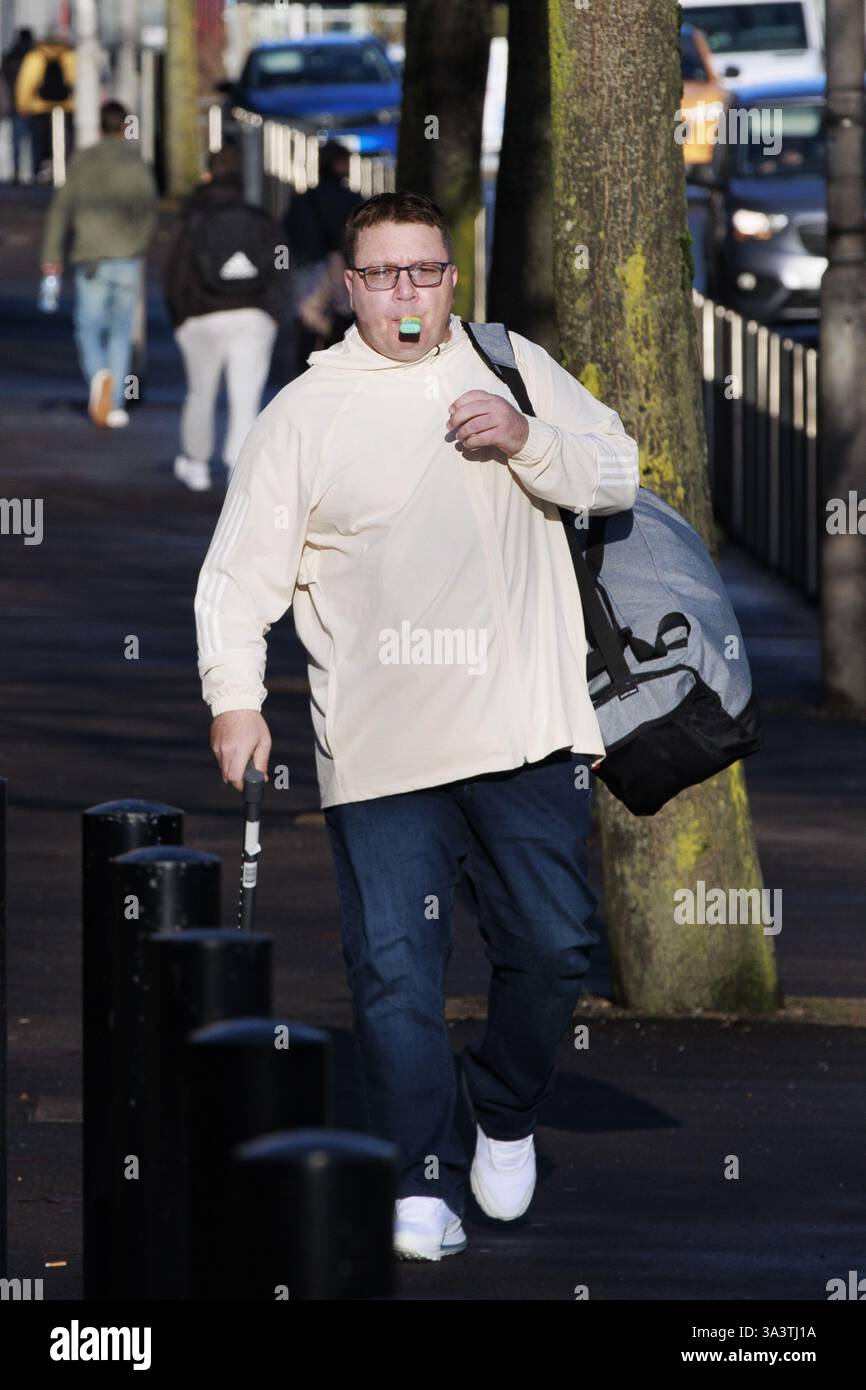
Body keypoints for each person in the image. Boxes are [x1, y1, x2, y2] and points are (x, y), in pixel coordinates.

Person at [194, 190, 640, 1261]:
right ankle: (414, 1172)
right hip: (382, 739)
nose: (406, 293)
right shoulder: (304, 412)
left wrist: (528, 437)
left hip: (524, 727)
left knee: (553, 945)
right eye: (383, 274)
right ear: (346, 287)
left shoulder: (509, 364)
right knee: (395, 968)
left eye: (424, 272)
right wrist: (235, 699)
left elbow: (618, 470)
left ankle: (501, 1102)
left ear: (451, 277)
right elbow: (235, 577)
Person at [163, 142, 282, 492]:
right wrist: (273, 312)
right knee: (246, 396)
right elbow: (282, 264)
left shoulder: (194, 220)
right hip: (253, 315)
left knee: (201, 393)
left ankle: (197, 464)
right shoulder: (262, 220)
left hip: (202, 315)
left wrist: (181, 318)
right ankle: (238, 467)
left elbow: (175, 274)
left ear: (208, 174)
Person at [41, 98, 157, 429]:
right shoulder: (136, 163)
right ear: (124, 127)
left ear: (99, 128)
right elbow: (148, 210)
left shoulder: (83, 161)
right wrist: (138, 243)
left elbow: (61, 210)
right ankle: (116, 404)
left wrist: (51, 256)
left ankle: (98, 376)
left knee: (88, 327)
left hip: (90, 257)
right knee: (121, 333)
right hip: (126, 259)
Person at [285, 139, 360, 370]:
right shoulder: (352, 200)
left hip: (308, 267)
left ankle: (306, 370)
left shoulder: (303, 200)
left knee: (307, 321)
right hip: (341, 267)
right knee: (345, 321)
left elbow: (289, 233)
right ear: (338, 164)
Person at [14, 33, 75, 180]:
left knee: (39, 145)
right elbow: (77, 79)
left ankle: (39, 173)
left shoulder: (35, 56)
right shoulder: (70, 55)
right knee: (64, 143)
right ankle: (64, 171)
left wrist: (22, 105)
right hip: (66, 107)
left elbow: (26, 82)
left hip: (39, 108)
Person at [1, 26, 34, 183]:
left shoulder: (10, 57)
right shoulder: (33, 57)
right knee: (32, 140)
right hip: (32, 106)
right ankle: (31, 171)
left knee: (17, 140)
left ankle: (16, 171)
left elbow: (4, 84)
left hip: (16, 105)